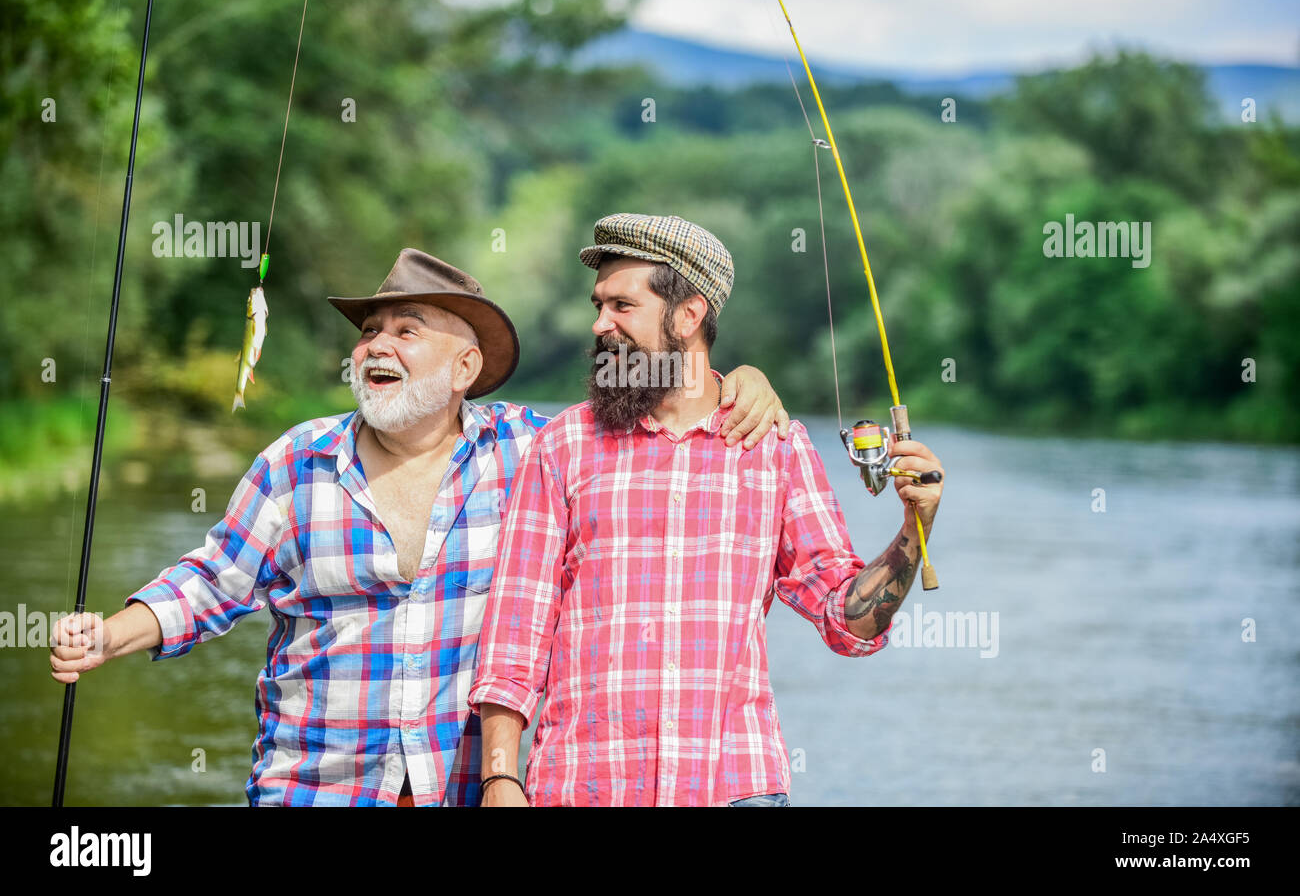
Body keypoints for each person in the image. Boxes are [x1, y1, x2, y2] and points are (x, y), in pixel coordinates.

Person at [48, 247, 789, 806]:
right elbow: (210, 582)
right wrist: (112, 634)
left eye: (408, 329)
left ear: (465, 365)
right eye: (370, 331)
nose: (377, 345)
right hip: (314, 785)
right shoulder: (297, 461)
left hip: (462, 787)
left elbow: (652, 413)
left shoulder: (532, 450)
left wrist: (738, 382)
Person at [469, 214, 945, 806]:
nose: (599, 324)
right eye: (599, 305)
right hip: (581, 788)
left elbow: (847, 624)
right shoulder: (563, 446)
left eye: (622, 306)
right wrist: (500, 778)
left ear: (688, 315)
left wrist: (913, 530)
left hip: (735, 789)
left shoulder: (776, 446)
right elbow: (515, 635)